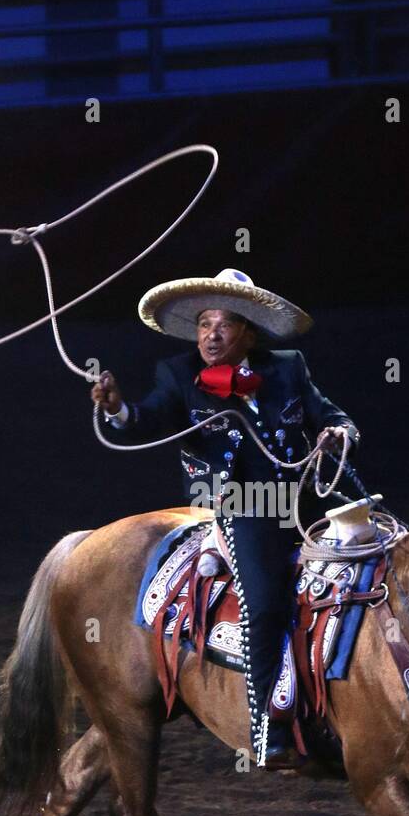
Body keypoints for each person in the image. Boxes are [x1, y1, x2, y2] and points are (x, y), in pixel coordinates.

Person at [92, 268, 360, 769]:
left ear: (249, 332)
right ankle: (267, 729)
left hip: (303, 499)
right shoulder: (178, 376)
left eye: (224, 324)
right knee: (265, 601)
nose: (211, 334)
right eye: (203, 324)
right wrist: (118, 411)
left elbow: (334, 416)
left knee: (374, 555)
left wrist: (339, 434)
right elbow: (145, 420)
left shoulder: (288, 367)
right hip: (242, 507)